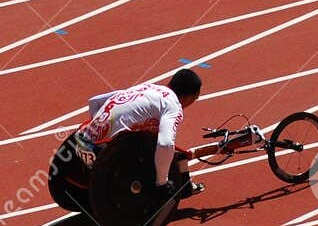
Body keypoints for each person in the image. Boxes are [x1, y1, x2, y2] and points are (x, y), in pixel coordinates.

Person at [73, 67, 218, 203]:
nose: (194, 102)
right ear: (188, 97)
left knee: (152, 137)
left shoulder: (147, 87)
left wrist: (97, 127)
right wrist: (162, 183)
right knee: (166, 149)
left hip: (85, 139)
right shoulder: (173, 106)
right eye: (196, 98)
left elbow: (94, 101)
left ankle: (185, 185)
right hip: (105, 153)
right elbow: (165, 144)